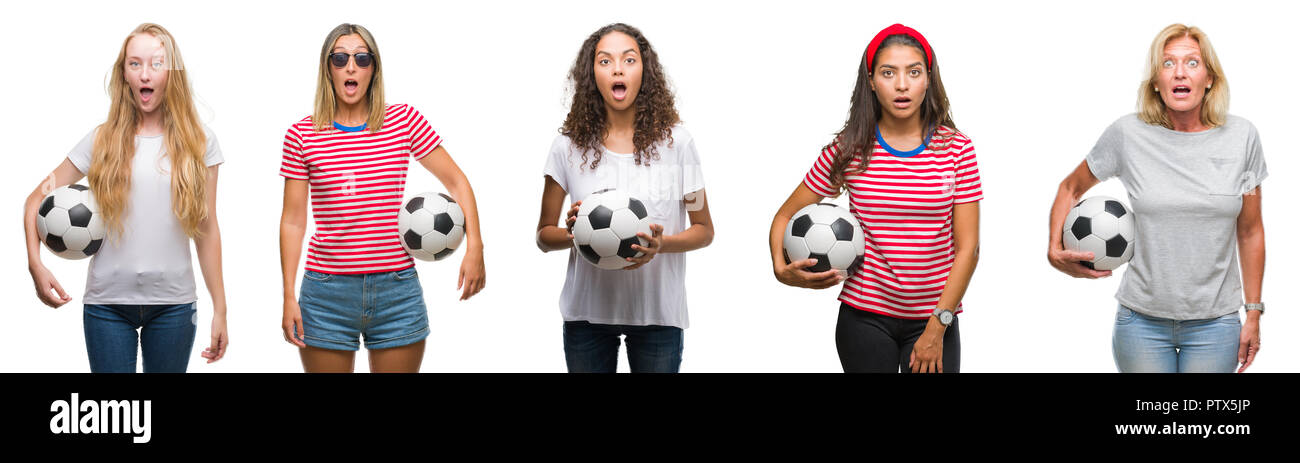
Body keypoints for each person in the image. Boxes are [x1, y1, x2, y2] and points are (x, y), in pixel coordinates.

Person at [1047, 24, 1265, 373]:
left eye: (1192, 63)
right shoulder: (1128, 134)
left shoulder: (1242, 137)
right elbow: (1070, 187)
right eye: (1168, 63)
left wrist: (1253, 312)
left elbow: (1251, 231)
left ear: (1209, 78)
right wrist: (1054, 250)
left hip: (1216, 324)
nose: (1180, 72)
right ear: (1155, 81)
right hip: (1141, 324)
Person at [768, 24, 981, 373]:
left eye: (913, 72)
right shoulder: (850, 148)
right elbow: (784, 217)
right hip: (864, 317)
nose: (901, 84)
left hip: (934, 317)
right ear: (870, 80)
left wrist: (937, 326)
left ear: (928, 78)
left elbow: (968, 247)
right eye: (888, 73)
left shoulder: (956, 148)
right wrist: (780, 269)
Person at [279, 23, 486, 373]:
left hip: (397, 291)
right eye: (340, 58)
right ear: (327, 67)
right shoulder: (302, 134)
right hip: (326, 293)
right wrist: (287, 295)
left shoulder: (403, 121)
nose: (351, 67)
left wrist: (476, 247)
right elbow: (293, 220)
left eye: (362, 58)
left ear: (373, 68)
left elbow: (458, 182)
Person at [22, 23, 228, 372]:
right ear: (124, 74)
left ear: (172, 73)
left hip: (174, 305)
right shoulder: (100, 140)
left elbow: (206, 229)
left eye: (156, 64)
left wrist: (220, 309)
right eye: (135, 64)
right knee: (117, 417)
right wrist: (35, 264)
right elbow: (34, 201)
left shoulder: (200, 142)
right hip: (107, 305)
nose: (145, 74)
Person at [535, 23, 714, 373]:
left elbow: (704, 229)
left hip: (658, 317)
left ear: (644, 72)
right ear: (592, 74)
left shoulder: (679, 144)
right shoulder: (567, 148)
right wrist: (574, 234)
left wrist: (662, 244)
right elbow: (543, 235)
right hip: (586, 317)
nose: (618, 68)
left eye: (629, 59)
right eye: (605, 61)